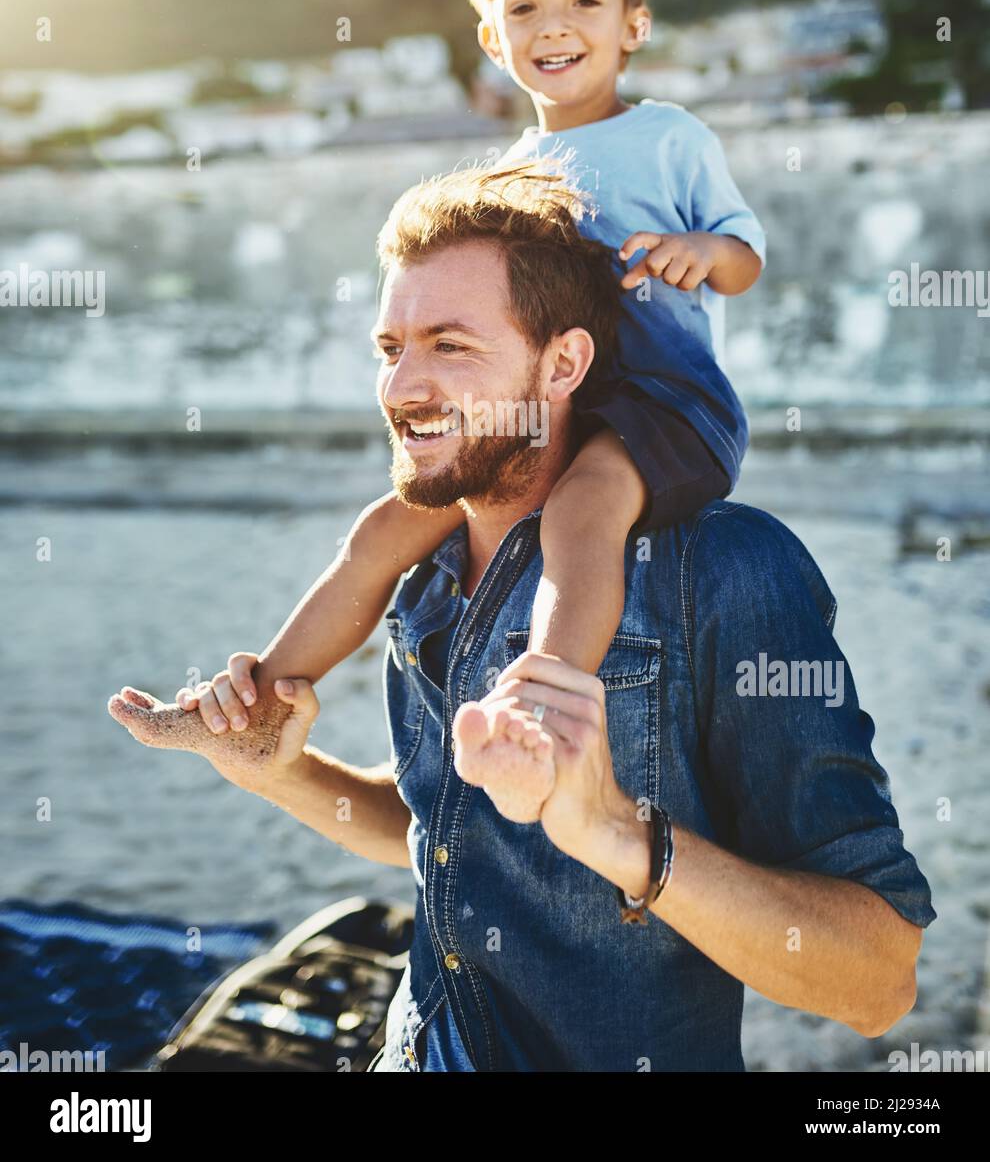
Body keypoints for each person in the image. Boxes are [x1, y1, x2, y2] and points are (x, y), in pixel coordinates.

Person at [109, 161, 935, 1072]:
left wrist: (619, 836)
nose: (400, 389)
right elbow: (444, 831)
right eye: (391, 349)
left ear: (565, 363)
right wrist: (278, 771)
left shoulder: (728, 569)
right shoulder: (422, 568)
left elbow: (877, 979)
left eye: (450, 346)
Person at [105, 0, 765, 829]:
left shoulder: (670, 137)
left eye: (586, 0)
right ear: (494, 39)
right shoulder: (508, 175)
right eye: (525, 5)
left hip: (666, 406)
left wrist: (698, 252)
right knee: (385, 529)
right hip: (545, 406)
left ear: (633, 26)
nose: (555, 25)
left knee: (585, 510)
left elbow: (745, 257)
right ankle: (255, 704)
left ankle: (542, 697)